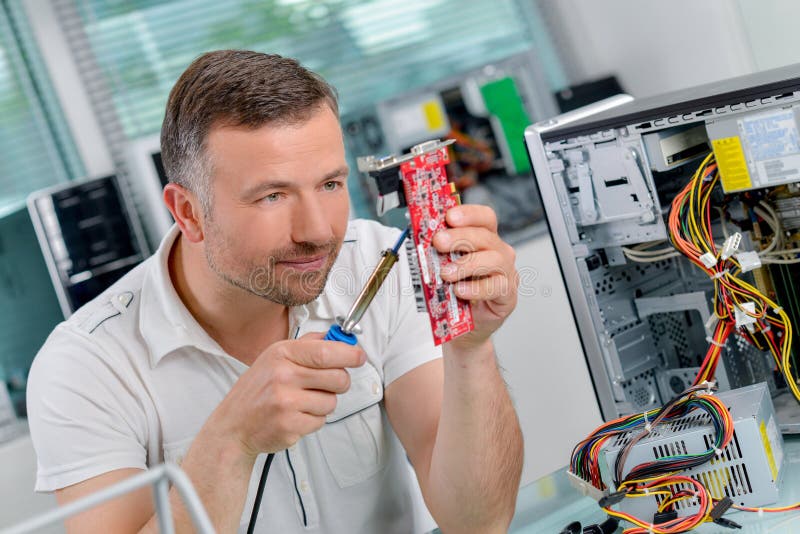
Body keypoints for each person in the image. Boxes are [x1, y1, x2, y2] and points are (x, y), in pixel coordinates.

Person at [27, 50, 523, 533]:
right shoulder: (85, 367)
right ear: (188, 213)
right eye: (272, 196)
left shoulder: (375, 263)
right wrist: (233, 440)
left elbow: (478, 523)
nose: (318, 231)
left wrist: (470, 349)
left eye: (330, 185)